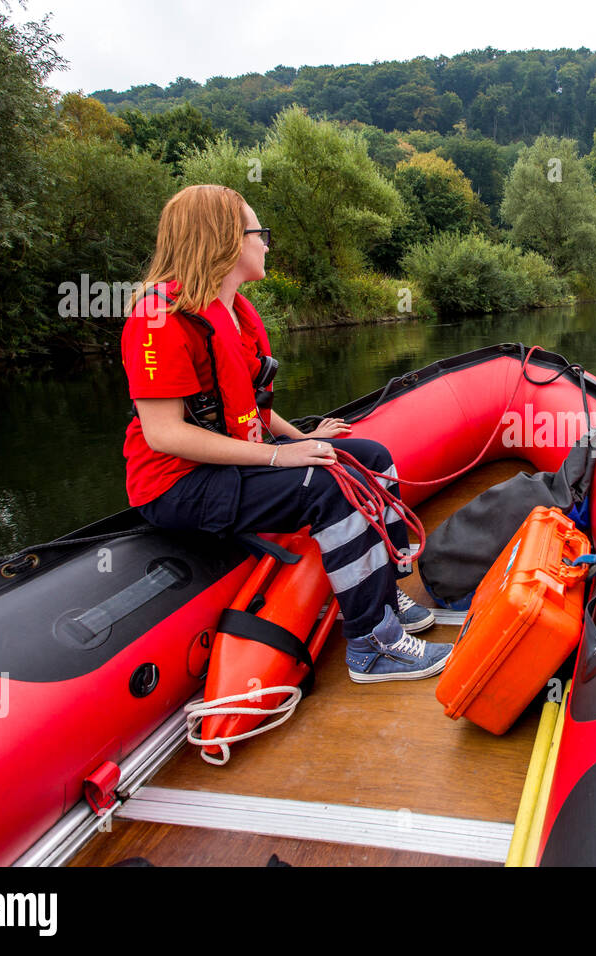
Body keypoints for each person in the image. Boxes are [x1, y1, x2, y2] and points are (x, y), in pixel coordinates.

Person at [121, 184, 449, 682]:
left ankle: (386, 592)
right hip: (178, 486)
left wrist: (304, 441)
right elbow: (164, 435)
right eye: (261, 233)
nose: (267, 245)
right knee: (329, 486)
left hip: (229, 463)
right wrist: (282, 459)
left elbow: (249, 407)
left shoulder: (234, 315)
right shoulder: (158, 319)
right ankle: (371, 646)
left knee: (371, 456)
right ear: (227, 239)